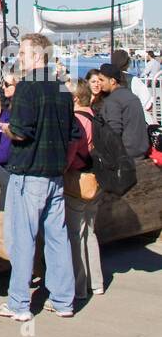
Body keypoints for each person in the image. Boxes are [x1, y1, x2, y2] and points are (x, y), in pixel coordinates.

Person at [0, 32, 80, 321]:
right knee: (57, 237)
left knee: (23, 238)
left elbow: (20, 131)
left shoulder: (28, 88)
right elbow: (73, 134)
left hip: (29, 172)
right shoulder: (62, 89)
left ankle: (19, 303)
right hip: (55, 172)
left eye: (22, 54)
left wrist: (4, 129)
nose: (18, 59)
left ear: (36, 56)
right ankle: (63, 299)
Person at [64, 77, 104, 300]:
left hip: (78, 180)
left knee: (75, 234)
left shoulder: (77, 120)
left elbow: (72, 153)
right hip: (96, 180)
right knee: (90, 232)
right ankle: (96, 282)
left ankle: (79, 286)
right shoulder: (95, 116)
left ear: (76, 98)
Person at [96, 63, 149, 160]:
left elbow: (114, 130)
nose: (98, 83)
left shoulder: (113, 100)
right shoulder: (131, 96)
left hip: (124, 154)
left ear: (112, 81)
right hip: (140, 150)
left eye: (101, 80)